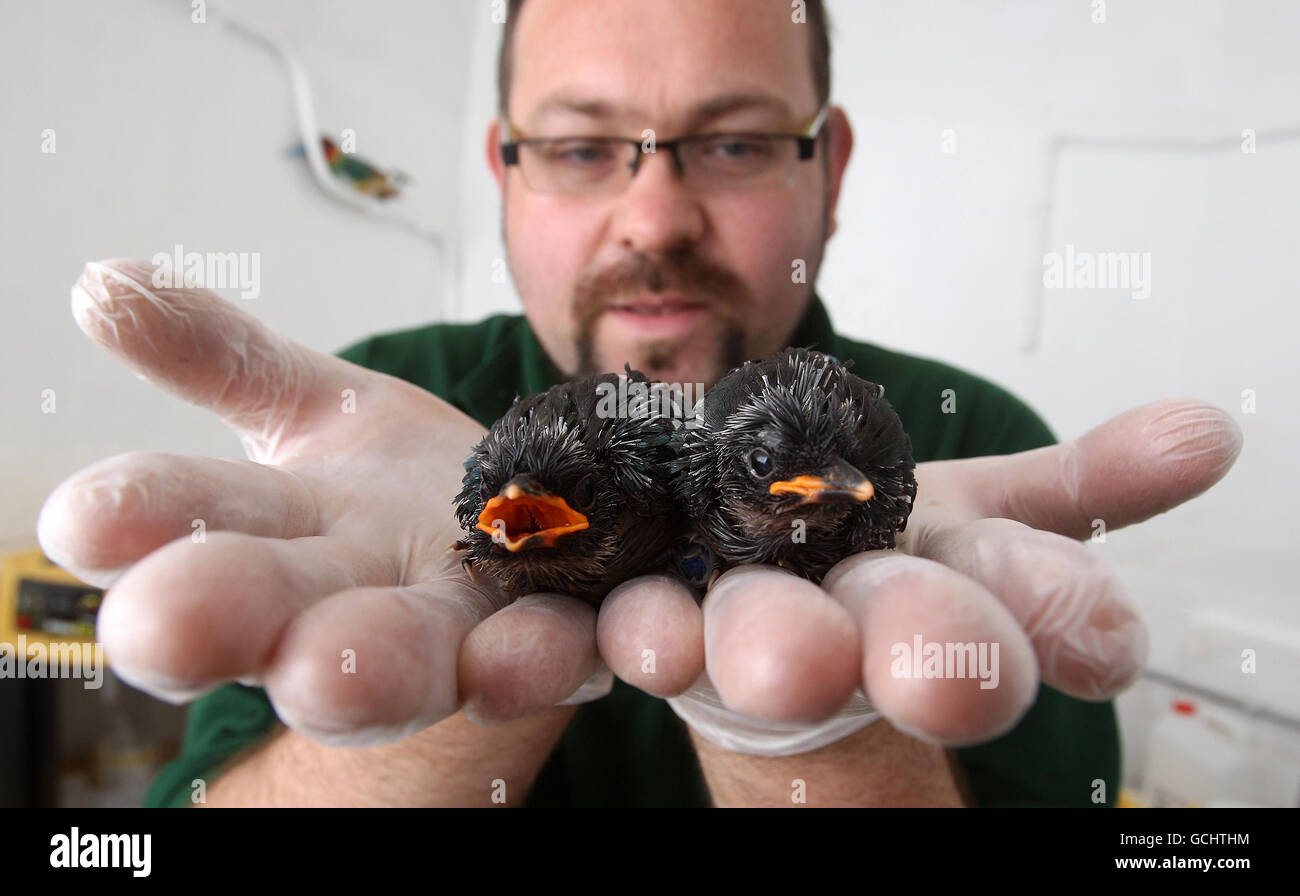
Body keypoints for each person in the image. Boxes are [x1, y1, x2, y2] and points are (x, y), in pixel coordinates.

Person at [39, 0, 1242, 807]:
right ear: (501, 170)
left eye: (734, 145)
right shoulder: (370, 426)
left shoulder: (970, 439)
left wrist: (816, 738)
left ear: (830, 168)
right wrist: (451, 704)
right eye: (579, 148)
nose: (656, 219)